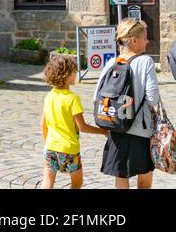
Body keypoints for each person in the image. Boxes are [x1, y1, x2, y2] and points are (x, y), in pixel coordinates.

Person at [93, 19, 164, 188]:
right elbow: (153, 99)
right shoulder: (146, 62)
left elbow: (96, 97)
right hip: (140, 130)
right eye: (145, 37)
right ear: (134, 40)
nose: (148, 41)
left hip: (116, 128)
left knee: (121, 177)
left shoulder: (112, 62)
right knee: (145, 177)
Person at [41, 54, 107, 189]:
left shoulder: (49, 96)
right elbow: (82, 127)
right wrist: (103, 131)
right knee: (77, 183)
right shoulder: (72, 98)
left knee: (48, 181)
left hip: (50, 147)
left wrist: (48, 142)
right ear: (65, 75)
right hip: (69, 149)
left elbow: (43, 123)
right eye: (73, 72)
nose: (76, 74)